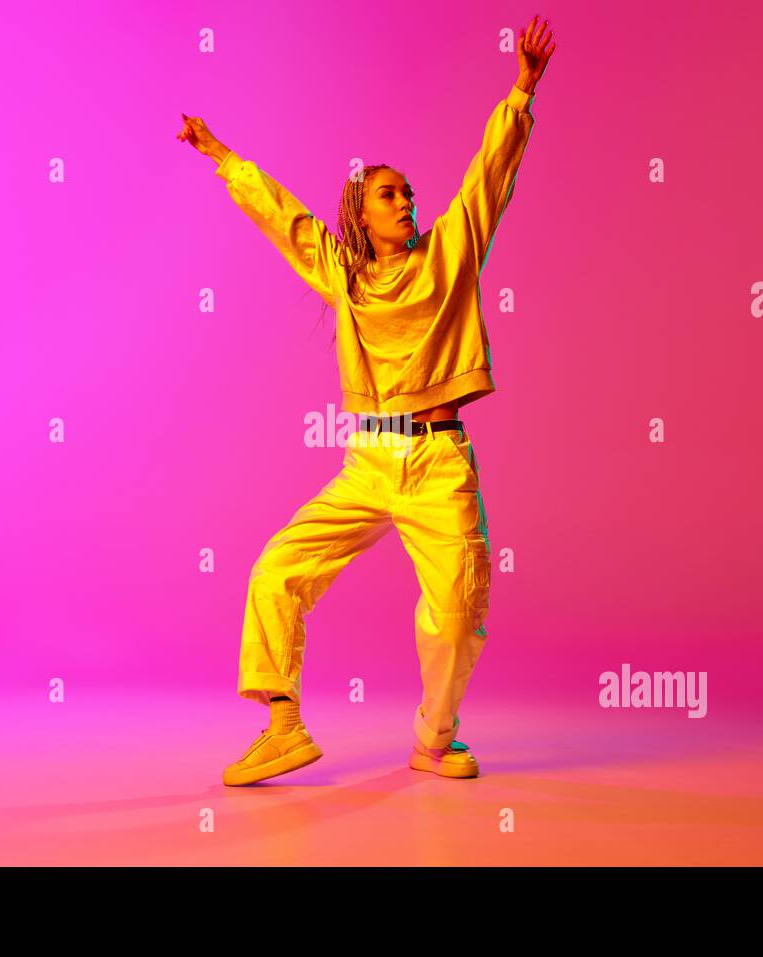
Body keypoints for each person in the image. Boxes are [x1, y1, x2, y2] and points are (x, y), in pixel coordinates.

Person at [177, 16, 556, 785]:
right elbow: (280, 217)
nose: (407, 199)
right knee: (277, 571)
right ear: (361, 212)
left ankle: (433, 736)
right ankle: (282, 723)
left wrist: (521, 89)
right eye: (390, 193)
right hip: (371, 458)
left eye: (409, 190)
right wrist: (219, 155)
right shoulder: (343, 276)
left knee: (456, 614)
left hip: (440, 459)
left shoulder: (452, 249)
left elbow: (490, 171)